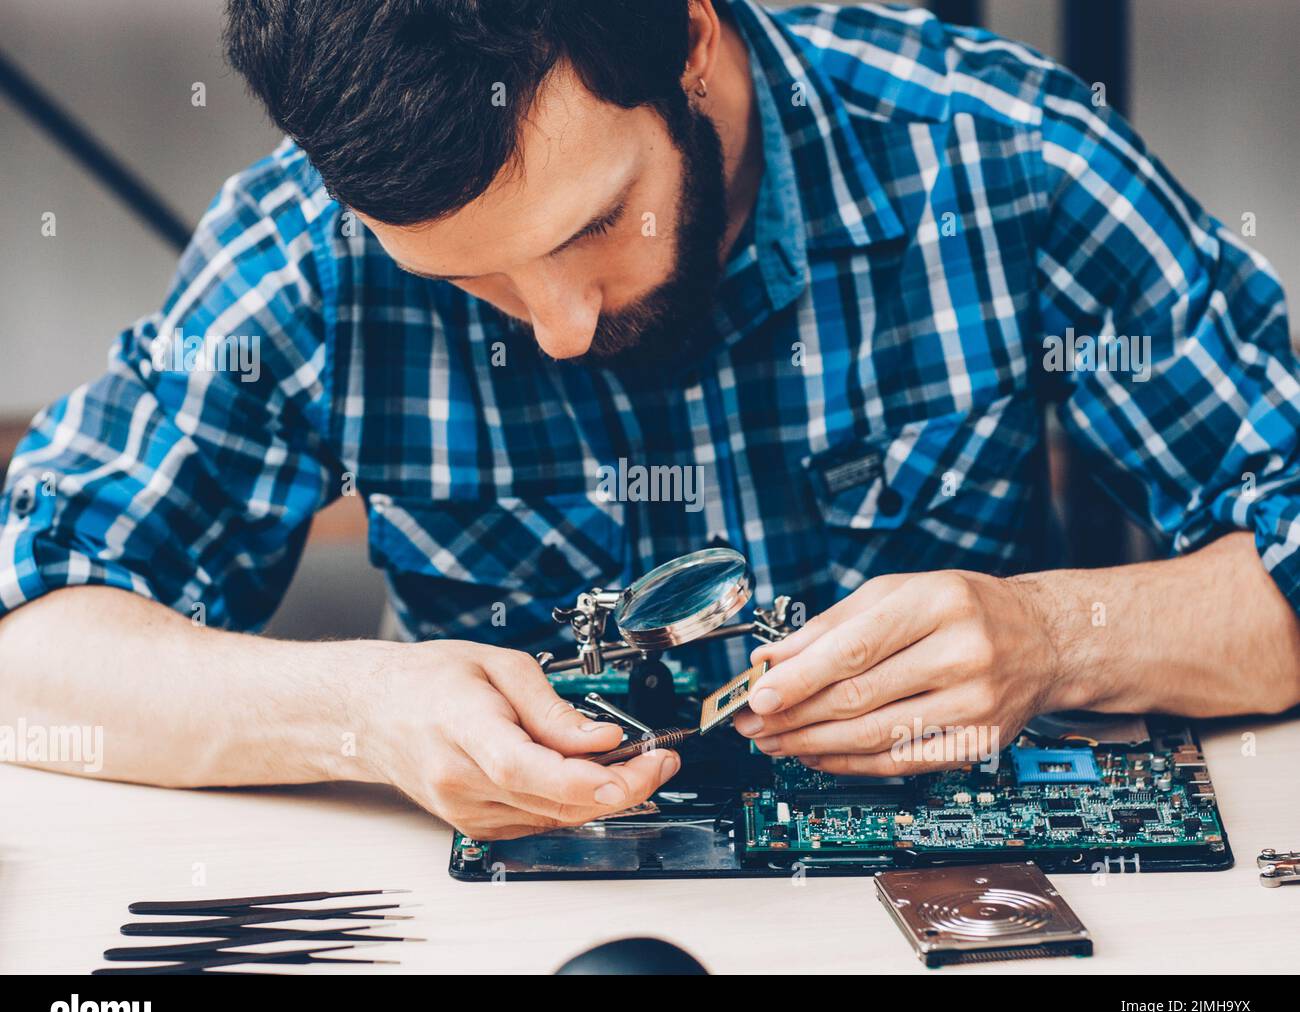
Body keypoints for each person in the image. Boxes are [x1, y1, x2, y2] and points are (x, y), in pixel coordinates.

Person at [2, 1, 1298, 841]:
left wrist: (1052, 637)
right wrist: (357, 708)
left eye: (589, 227)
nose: (556, 325)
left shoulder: (1004, 161)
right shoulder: (306, 259)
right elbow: (32, 649)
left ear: (689, 37)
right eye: (469, 282)